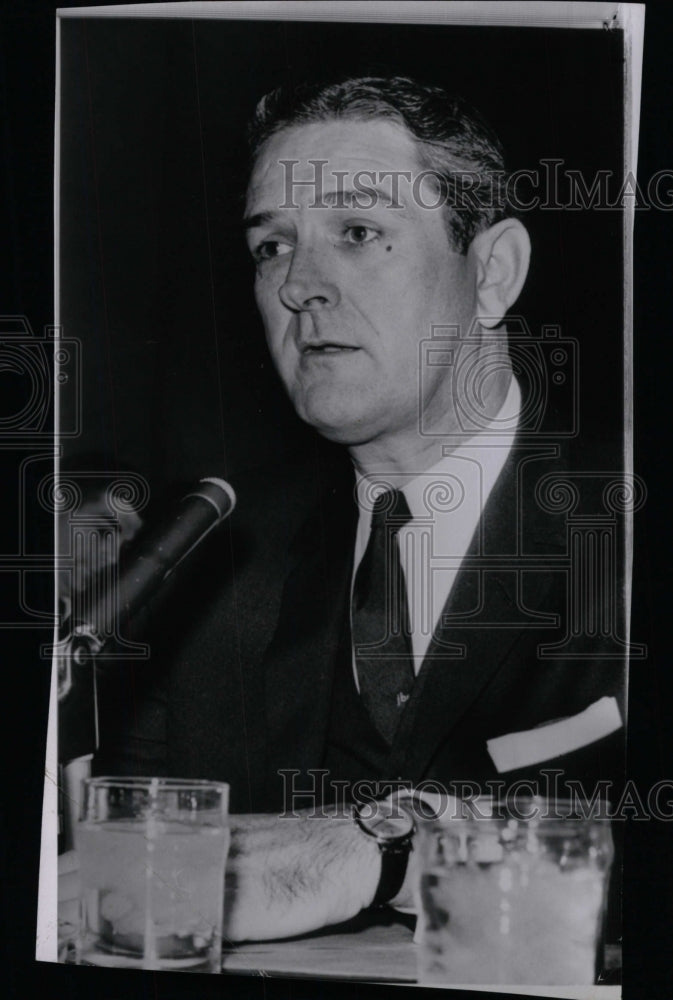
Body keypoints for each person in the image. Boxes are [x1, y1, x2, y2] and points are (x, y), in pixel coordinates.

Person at [62, 77, 626, 946]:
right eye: (270, 246)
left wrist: (394, 853)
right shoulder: (212, 559)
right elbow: (121, 873)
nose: (298, 285)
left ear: (492, 273)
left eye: (358, 233)